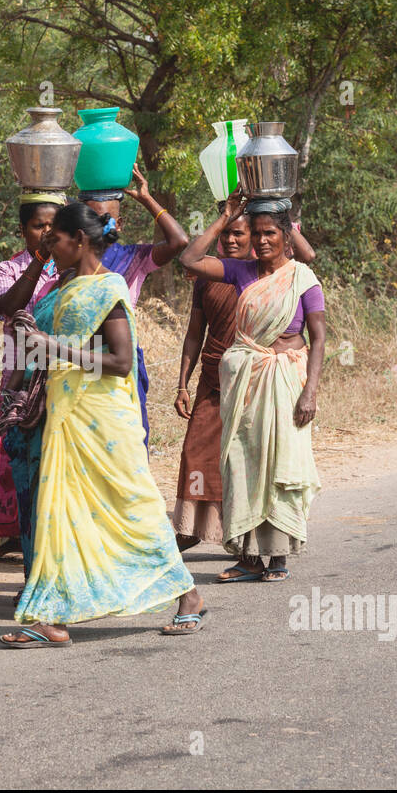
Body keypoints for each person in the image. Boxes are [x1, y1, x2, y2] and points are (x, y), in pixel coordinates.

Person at [0, 203, 206, 647]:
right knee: (62, 514)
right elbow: (16, 326)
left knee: (132, 508)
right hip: (63, 418)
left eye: (53, 238)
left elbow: (118, 363)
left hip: (104, 421)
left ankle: (188, 595)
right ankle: (51, 617)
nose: (46, 245)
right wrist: (20, 376)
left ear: (79, 240)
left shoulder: (107, 289)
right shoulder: (56, 292)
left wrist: (53, 346)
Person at [179, 191, 325, 583]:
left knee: (277, 463)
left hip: (285, 384)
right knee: (241, 462)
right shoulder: (239, 272)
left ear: (286, 237)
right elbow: (189, 259)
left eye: (269, 234)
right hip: (244, 384)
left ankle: (277, 556)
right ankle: (248, 557)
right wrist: (224, 216)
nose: (261, 241)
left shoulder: (302, 278)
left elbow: (319, 337)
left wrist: (310, 391)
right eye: (256, 234)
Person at [79, 164, 190, 444]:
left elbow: (179, 241)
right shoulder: (70, 263)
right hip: (81, 362)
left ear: (119, 225)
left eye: (106, 220)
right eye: (90, 219)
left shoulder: (134, 259)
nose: (98, 226)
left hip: (121, 361)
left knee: (127, 440)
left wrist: (147, 199)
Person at [0, 191, 65, 565]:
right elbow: (9, 308)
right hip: (20, 383)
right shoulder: (7, 270)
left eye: (53, 226)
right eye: (38, 226)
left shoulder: (72, 269)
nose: (46, 233)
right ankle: (25, 549)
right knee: (18, 469)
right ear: (23, 230)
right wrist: (38, 262)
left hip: (61, 381)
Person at [170, 203, 252, 551]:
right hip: (211, 378)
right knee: (196, 453)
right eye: (226, 233)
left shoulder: (263, 274)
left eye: (239, 233)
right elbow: (194, 333)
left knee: (242, 458)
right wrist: (182, 383)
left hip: (250, 381)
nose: (231, 240)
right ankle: (190, 528)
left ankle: (242, 533)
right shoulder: (208, 275)